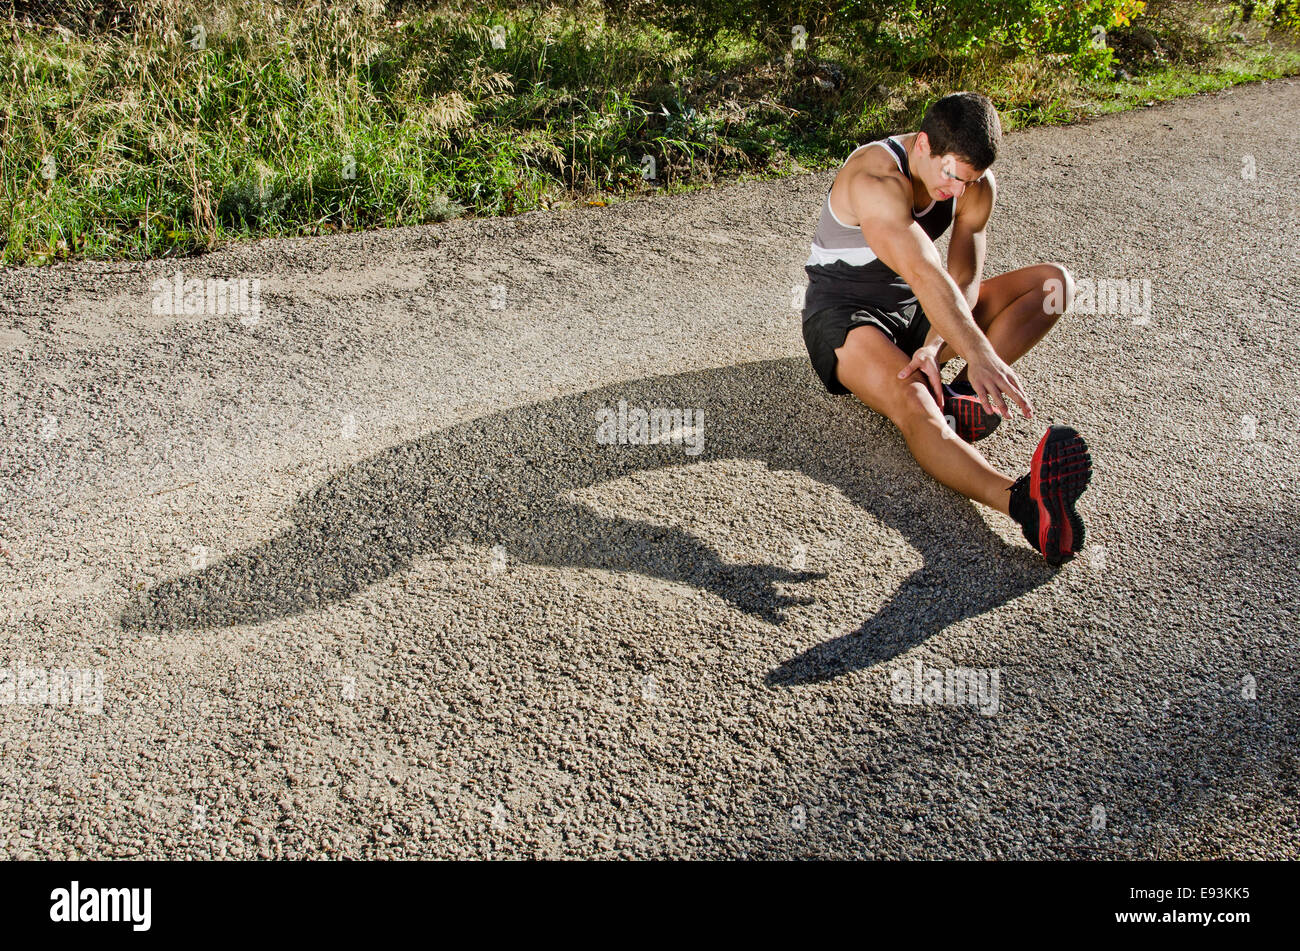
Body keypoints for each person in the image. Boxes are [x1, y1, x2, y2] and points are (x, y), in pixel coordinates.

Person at [801, 91, 1091, 565]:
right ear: (922, 145)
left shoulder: (973, 184)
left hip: (918, 305)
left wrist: (936, 346)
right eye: (953, 175)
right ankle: (1023, 502)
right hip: (844, 314)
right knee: (912, 400)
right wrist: (976, 351)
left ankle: (956, 399)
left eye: (970, 180)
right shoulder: (874, 179)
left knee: (1053, 284)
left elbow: (961, 280)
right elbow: (923, 270)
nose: (958, 190)